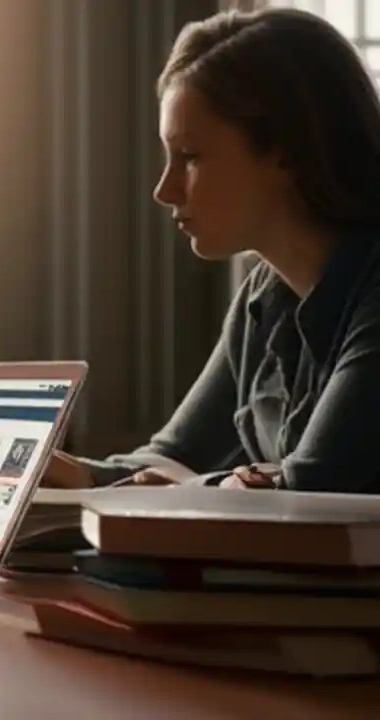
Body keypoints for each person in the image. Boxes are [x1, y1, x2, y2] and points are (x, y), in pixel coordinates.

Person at [44, 8, 380, 494]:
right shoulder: (264, 296)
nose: (164, 190)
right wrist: (64, 471)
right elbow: (175, 457)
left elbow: (316, 486)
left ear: (287, 151)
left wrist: (197, 487)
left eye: (190, 156)